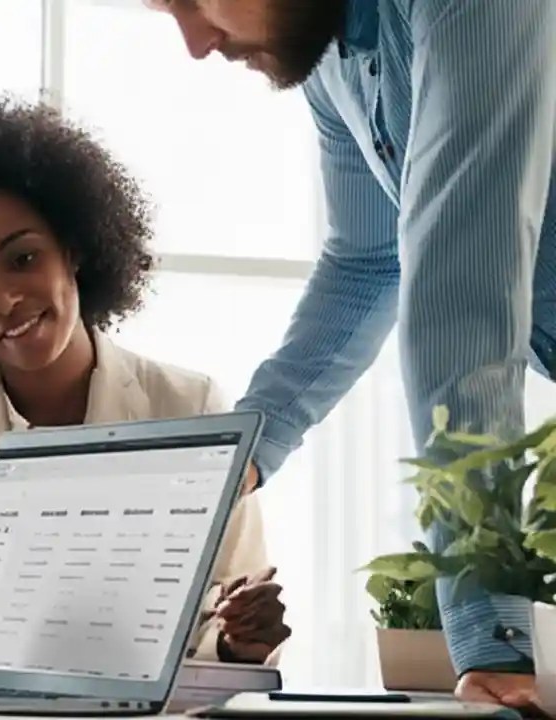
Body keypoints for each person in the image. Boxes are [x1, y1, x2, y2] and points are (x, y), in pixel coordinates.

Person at [146, 0, 556, 710]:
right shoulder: (331, 56)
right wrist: (240, 453)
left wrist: (491, 638)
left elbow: (458, 289)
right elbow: (368, 262)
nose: (194, 42)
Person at [0, 95, 291, 665]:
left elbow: (231, 619)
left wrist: (238, 639)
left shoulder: (190, 406)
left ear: (74, 248)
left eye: (24, 259)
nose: (3, 300)